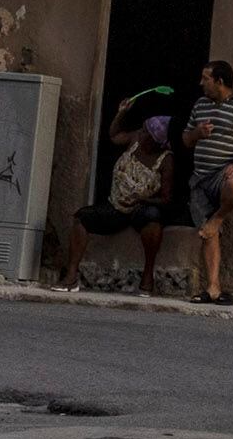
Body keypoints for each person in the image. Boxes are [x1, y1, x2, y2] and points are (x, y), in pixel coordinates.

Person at [62, 90, 181, 292]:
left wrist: (143, 199)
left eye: (146, 133)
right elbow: (114, 135)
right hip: (116, 206)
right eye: (142, 130)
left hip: (140, 209)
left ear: (155, 140)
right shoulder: (135, 139)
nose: (141, 133)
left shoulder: (166, 159)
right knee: (82, 218)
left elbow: (166, 199)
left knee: (154, 220)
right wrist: (121, 113)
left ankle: (147, 276)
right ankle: (71, 276)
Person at [183, 60, 233, 308]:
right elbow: (186, 140)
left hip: (224, 173)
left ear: (219, 81)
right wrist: (197, 133)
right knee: (209, 234)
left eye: (205, 78)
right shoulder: (200, 105)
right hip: (201, 177)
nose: (201, 83)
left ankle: (217, 218)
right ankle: (213, 287)